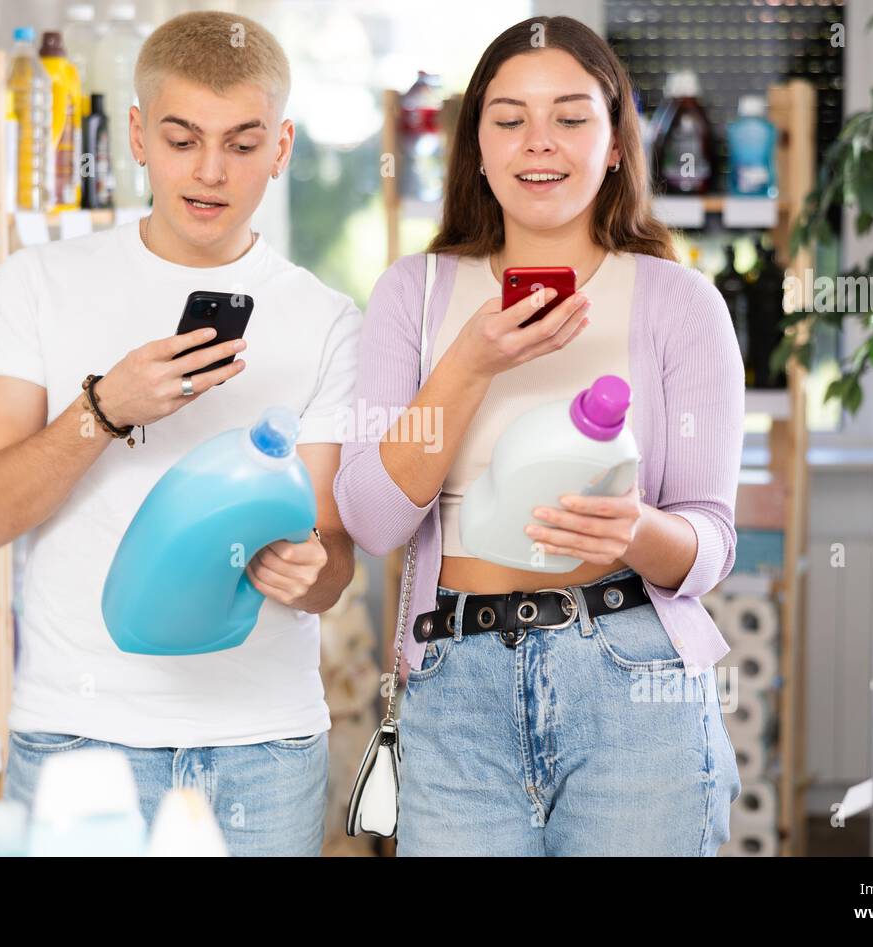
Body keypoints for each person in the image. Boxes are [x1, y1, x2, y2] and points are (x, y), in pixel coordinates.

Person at [334, 15, 743, 856]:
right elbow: (372, 522)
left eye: (570, 115)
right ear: (476, 147)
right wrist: (468, 364)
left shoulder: (681, 304)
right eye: (509, 118)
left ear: (618, 142)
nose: (538, 142)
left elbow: (709, 544)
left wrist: (639, 529)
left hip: (636, 679)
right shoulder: (411, 297)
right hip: (456, 685)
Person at [0, 11, 359, 856]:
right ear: (138, 136)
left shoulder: (326, 321)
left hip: (264, 748)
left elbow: (333, 569)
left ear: (282, 147)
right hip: (79, 737)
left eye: (243, 144)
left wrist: (305, 566)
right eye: (182, 139)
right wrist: (106, 407)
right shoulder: (39, 283)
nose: (210, 172)